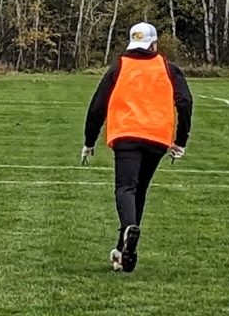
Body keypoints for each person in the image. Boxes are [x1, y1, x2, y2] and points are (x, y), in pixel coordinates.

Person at [81, 22, 194, 273]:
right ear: (154, 44)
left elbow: (98, 105)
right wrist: (181, 139)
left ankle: (128, 232)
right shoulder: (168, 68)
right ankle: (124, 251)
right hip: (157, 137)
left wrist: (89, 140)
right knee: (139, 190)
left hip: (126, 134)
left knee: (125, 187)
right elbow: (185, 102)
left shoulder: (120, 66)